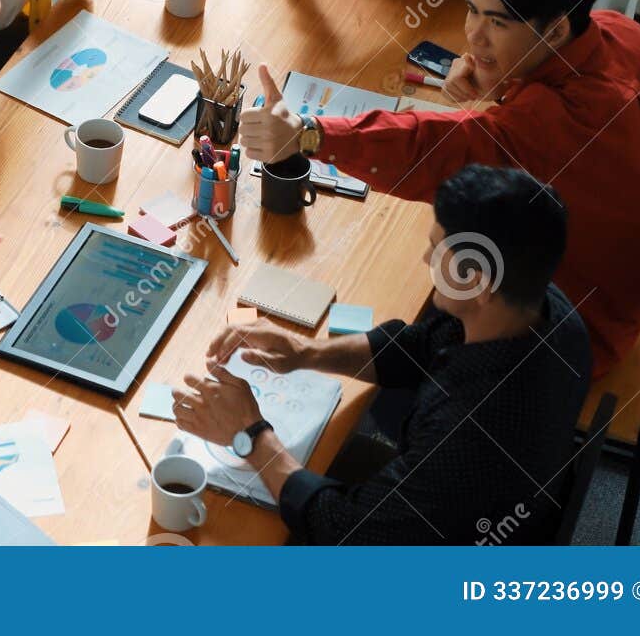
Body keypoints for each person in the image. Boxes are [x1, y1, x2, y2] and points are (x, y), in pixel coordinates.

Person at [239, 0, 640, 377]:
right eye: (473, 11)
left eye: (498, 23)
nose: (474, 35)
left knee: (410, 312)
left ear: (555, 30)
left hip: (576, 336)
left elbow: (429, 148)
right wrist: (502, 81)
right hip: (626, 289)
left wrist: (310, 134)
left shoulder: (551, 123)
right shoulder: (623, 32)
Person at [174, 164, 591, 544]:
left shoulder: (468, 436)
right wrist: (306, 351)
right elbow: (417, 346)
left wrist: (249, 435)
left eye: (437, 248)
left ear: (477, 282)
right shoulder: (543, 308)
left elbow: (346, 531)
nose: (426, 257)